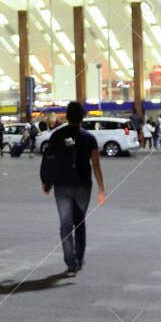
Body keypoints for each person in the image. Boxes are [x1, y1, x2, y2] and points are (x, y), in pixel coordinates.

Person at [39, 100, 108, 277]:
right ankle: (79, 258)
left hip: (61, 185)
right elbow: (96, 164)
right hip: (83, 185)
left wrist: (47, 183)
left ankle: (70, 261)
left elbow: (49, 160)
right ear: (83, 117)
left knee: (65, 224)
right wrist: (101, 188)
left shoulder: (56, 135)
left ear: (66, 116)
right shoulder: (89, 138)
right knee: (80, 221)